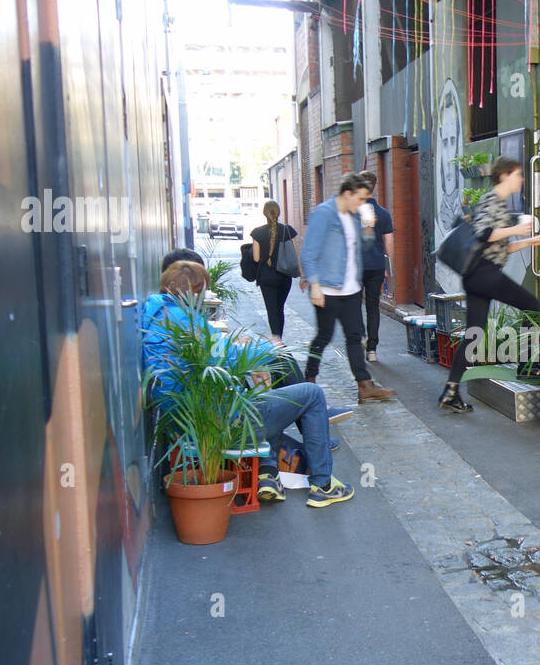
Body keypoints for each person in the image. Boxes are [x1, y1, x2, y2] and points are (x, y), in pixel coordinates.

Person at [141, 260, 353, 507]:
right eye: (202, 292)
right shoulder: (185, 321)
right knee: (311, 393)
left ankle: (268, 473)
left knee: (265, 387)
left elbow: (214, 356)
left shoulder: (159, 316)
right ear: (193, 293)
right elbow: (222, 357)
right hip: (217, 424)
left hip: (193, 418)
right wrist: (267, 346)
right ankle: (323, 485)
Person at [439, 156, 540, 413]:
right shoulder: (491, 200)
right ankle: (530, 364)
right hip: (483, 274)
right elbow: (485, 234)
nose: (521, 180)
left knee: (473, 335)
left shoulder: (496, 203)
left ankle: (451, 391)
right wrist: (517, 229)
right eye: (518, 175)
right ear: (504, 176)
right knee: (532, 305)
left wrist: (529, 242)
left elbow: (497, 248)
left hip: (478, 273)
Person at [300, 172, 396, 403]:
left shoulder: (354, 217)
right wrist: (314, 285)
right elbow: (309, 252)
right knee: (324, 336)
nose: (363, 204)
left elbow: (362, 246)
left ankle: (364, 385)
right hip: (329, 289)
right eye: (361, 198)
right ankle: (309, 378)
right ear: (347, 193)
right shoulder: (324, 214)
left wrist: (367, 229)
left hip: (351, 288)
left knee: (354, 336)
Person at [357, 170, 394, 362]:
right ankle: (372, 350)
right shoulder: (384, 214)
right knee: (373, 307)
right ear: (375, 187)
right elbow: (389, 243)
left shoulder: (353, 212)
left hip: (355, 266)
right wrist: (389, 267)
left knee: (354, 304)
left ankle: (361, 335)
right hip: (377, 265)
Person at [249, 200, 299, 344]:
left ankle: (276, 340)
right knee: (280, 308)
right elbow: (295, 255)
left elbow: (256, 258)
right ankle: (279, 337)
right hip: (284, 277)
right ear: (278, 213)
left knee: (271, 310)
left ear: (264, 213)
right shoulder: (288, 230)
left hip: (266, 276)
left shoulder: (257, 232)